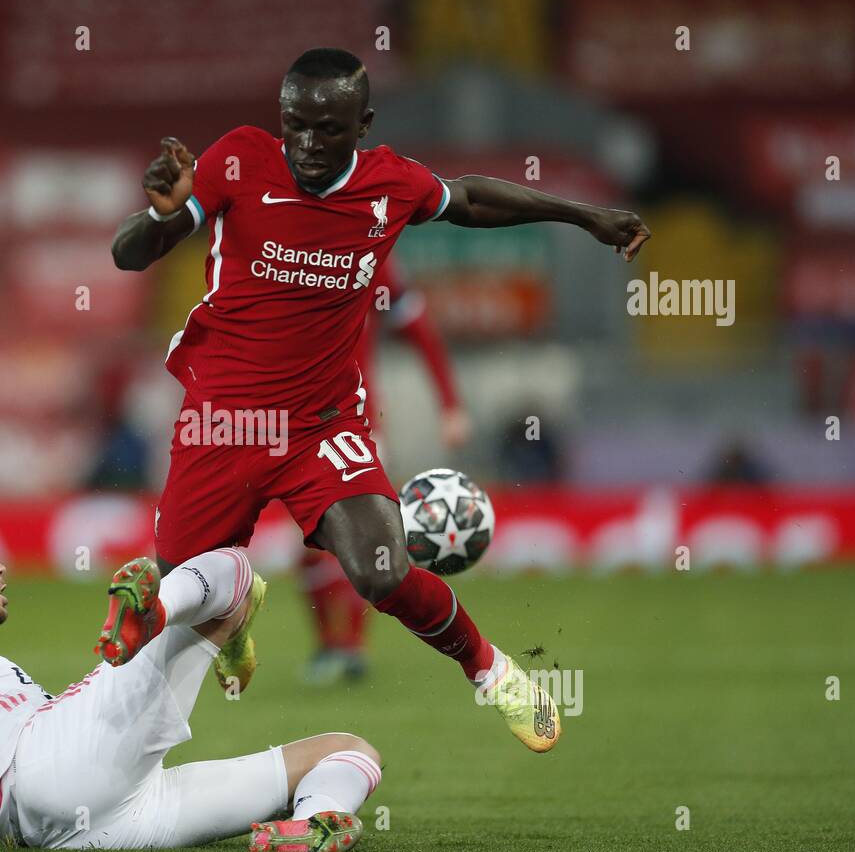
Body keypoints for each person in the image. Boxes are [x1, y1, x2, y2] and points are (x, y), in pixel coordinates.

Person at [110, 48, 646, 750]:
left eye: (327, 129)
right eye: (294, 124)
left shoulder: (390, 184)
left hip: (321, 424)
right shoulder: (237, 161)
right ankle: (235, 617)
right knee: (183, 597)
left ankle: (493, 671)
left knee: (382, 570)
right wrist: (159, 217)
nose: (305, 143)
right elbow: (129, 254)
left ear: (361, 125)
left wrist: (584, 216)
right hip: (224, 421)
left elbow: (472, 197)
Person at [0, 510, 381, 852]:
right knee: (227, 563)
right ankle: (163, 612)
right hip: (54, 760)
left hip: (88, 821)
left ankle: (313, 824)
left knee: (349, 752)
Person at [299, 253, 469, 685]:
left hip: (357, 420)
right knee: (310, 543)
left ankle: (353, 647)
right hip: (295, 422)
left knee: (365, 536)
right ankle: (328, 645)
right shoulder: (284, 251)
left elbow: (420, 330)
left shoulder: (373, 261)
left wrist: (449, 403)